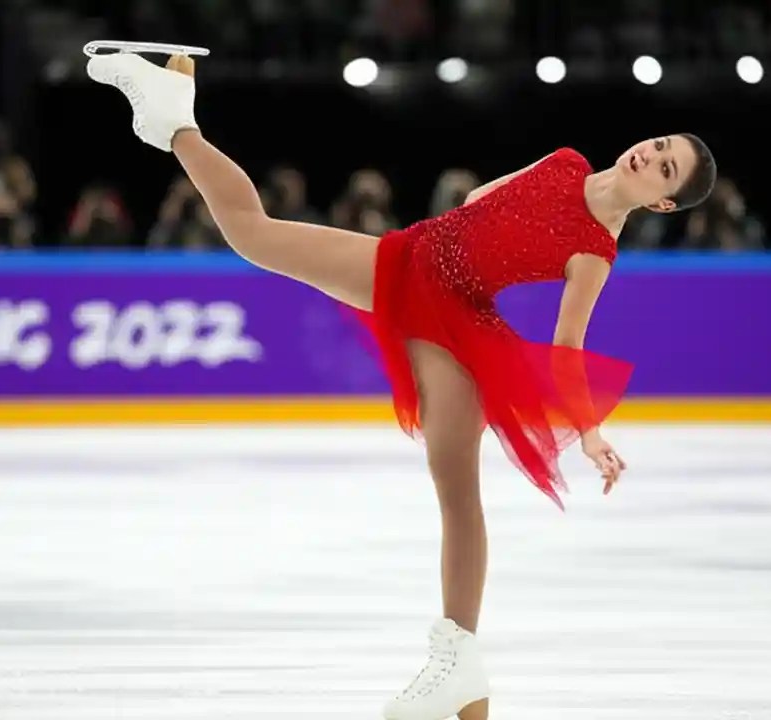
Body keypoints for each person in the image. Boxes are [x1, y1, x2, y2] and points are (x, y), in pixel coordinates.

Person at [86, 51, 716, 720]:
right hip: (409, 259)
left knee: (456, 489)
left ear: (663, 201)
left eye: (664, 167)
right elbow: (477, 202)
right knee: (253, 235)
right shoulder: (564, 160)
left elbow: (567, 347)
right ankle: (176, 120)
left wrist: (588, 434)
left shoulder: (595, 250)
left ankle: (458, 664)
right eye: (656, 145)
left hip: (457, 325)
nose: (648, 157)